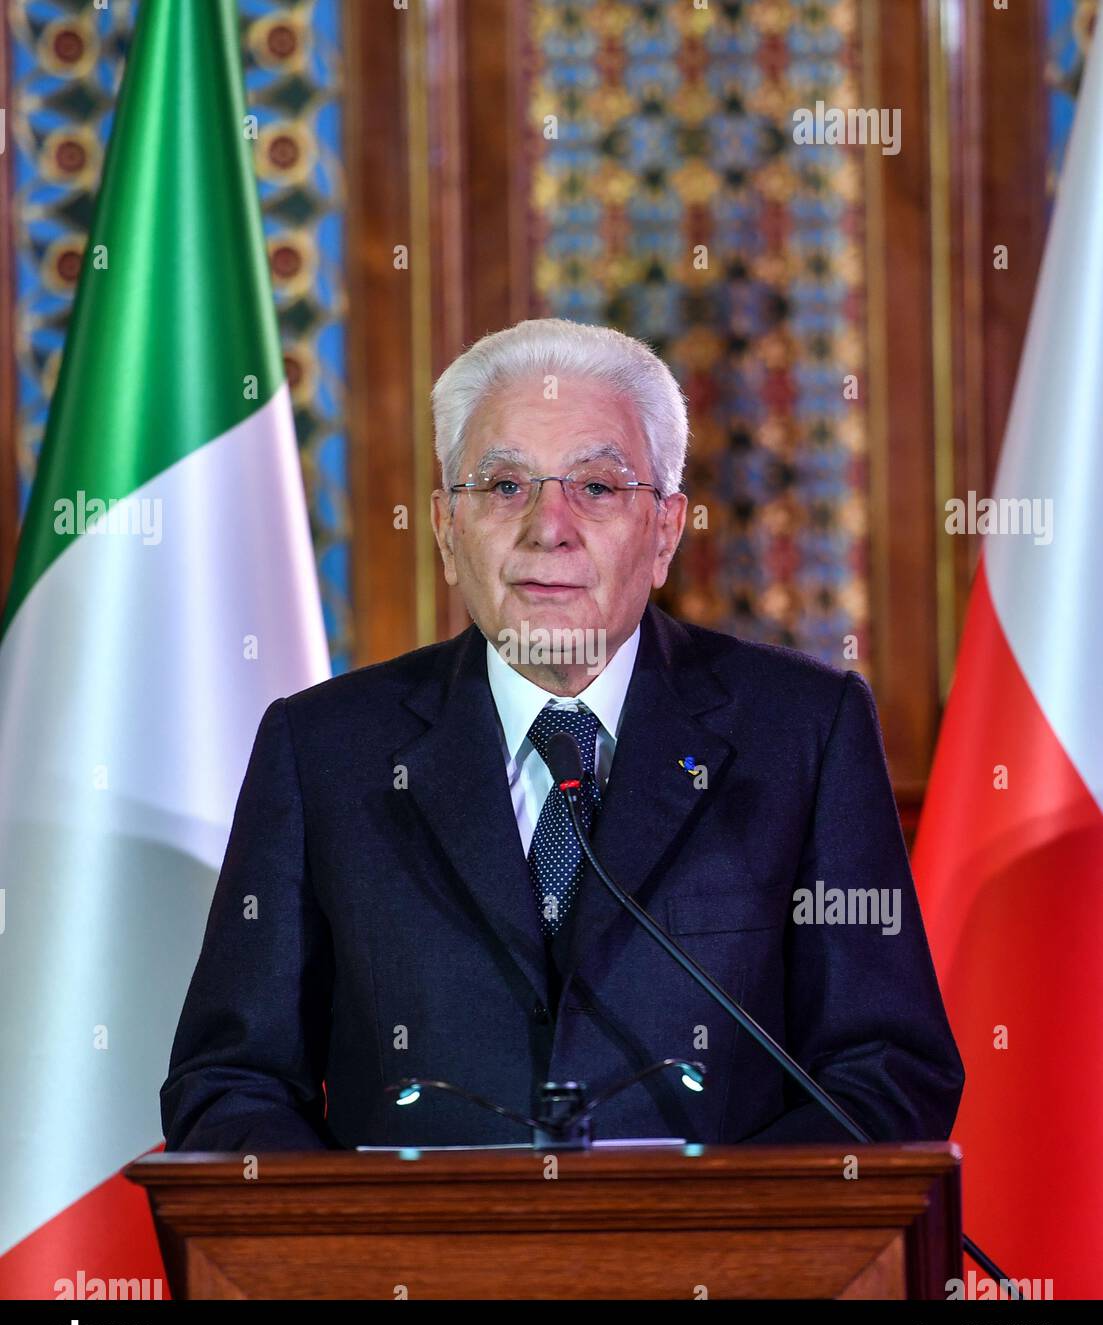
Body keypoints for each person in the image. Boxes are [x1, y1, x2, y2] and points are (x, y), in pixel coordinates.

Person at [161, 318, 964, 1150]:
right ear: (444, 529)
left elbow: (886, 1071)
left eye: (598, 488)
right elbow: (230, 1085)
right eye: (505, 487)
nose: (549, 527)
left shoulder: (801, 731)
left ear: (664, 532)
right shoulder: (323, 749)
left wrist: (711, 1244)